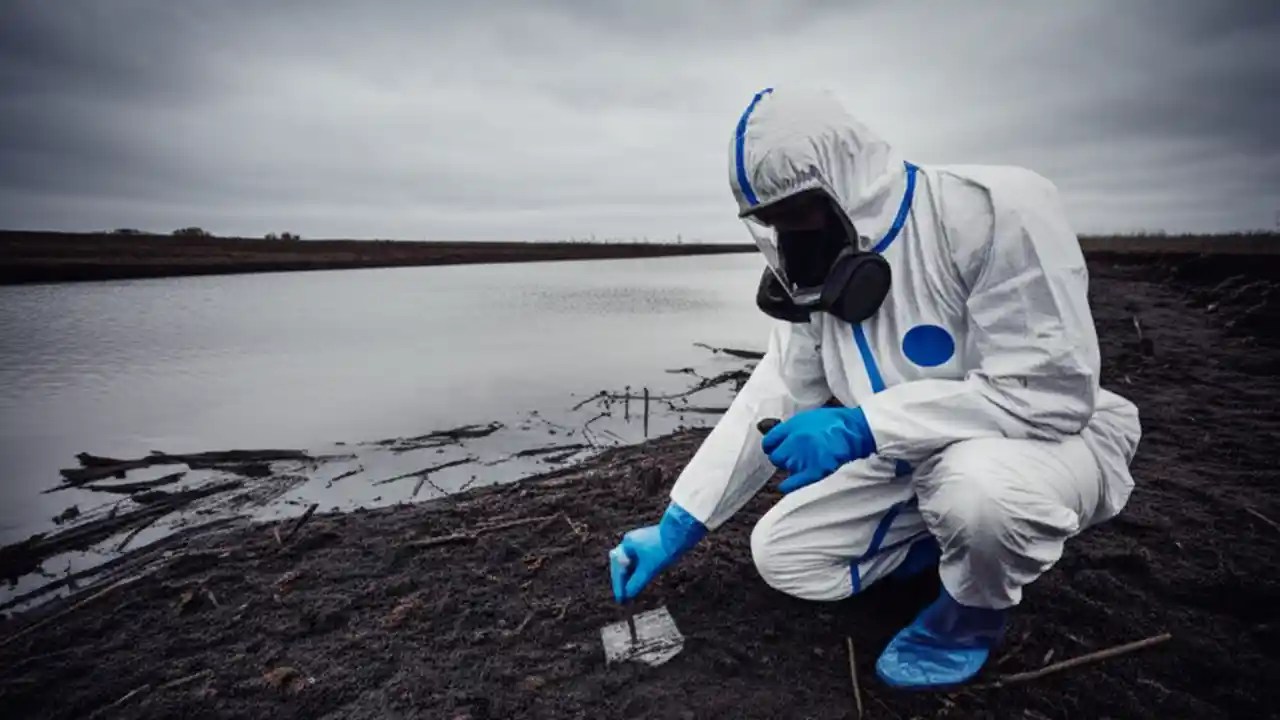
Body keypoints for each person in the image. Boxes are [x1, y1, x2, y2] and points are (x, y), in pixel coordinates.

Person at [607, 86, 1142, 689]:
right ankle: (939, 552)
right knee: (783, 553)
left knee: (978, 494)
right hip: (911, 459)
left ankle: (969, 617)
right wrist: (679, 523)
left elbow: (1048, 393)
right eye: (773, 220)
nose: (788, 232)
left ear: (845, 184)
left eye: (797, 212)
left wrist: (863, 426)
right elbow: (775, 392)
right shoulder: (817, 270)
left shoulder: (990, 212)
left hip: (1050, 447)